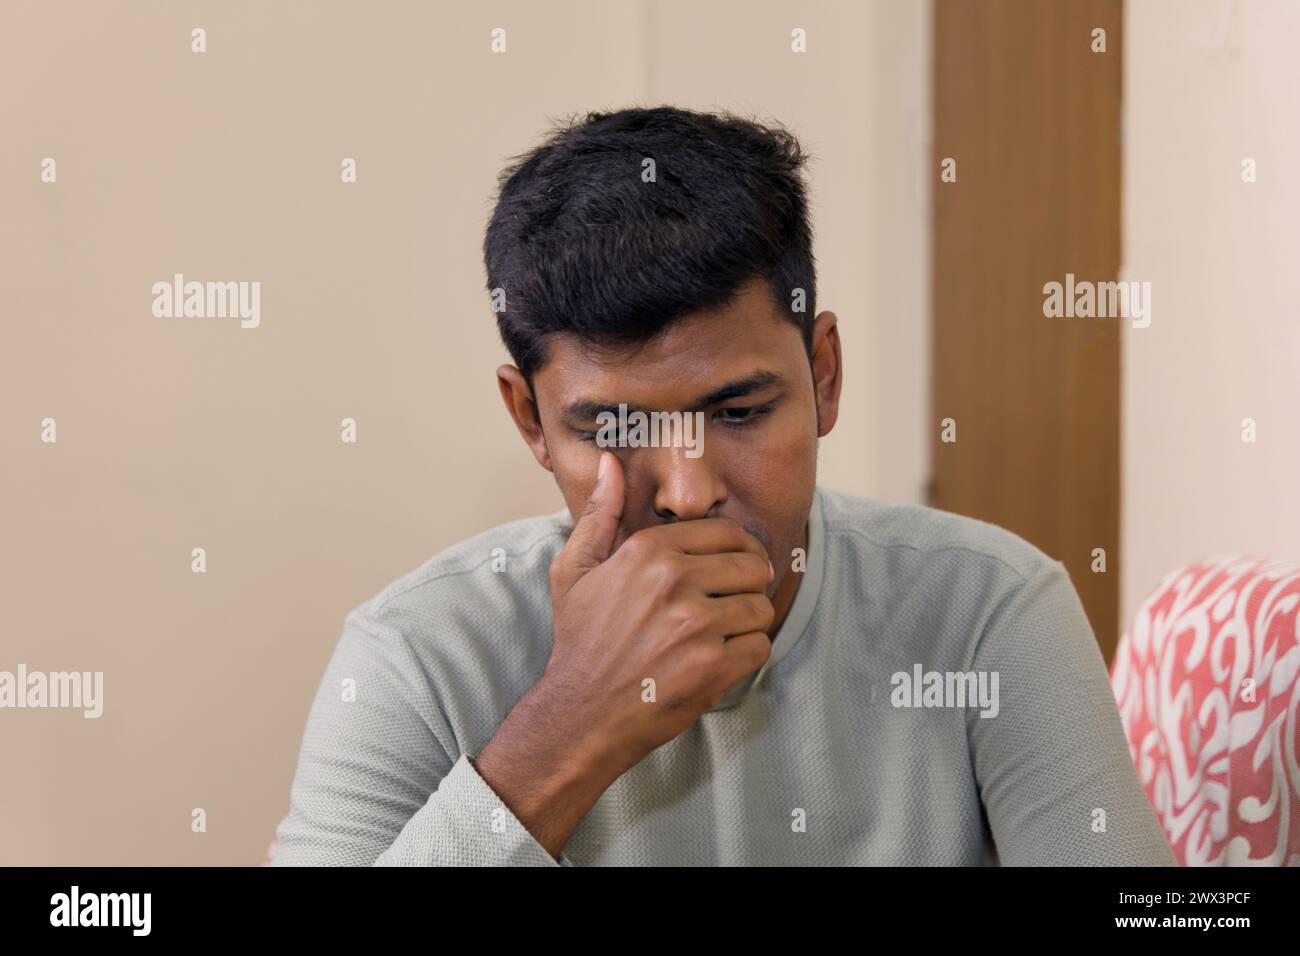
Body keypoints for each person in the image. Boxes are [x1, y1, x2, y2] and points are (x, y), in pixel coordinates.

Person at [271, 106, 1175, 866]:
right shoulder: (417, 654)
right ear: (529, 422)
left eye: (738, 413)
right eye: (616, 428)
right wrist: (564, 732)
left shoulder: (988, 614)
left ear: (824, 376)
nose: (689, 491)